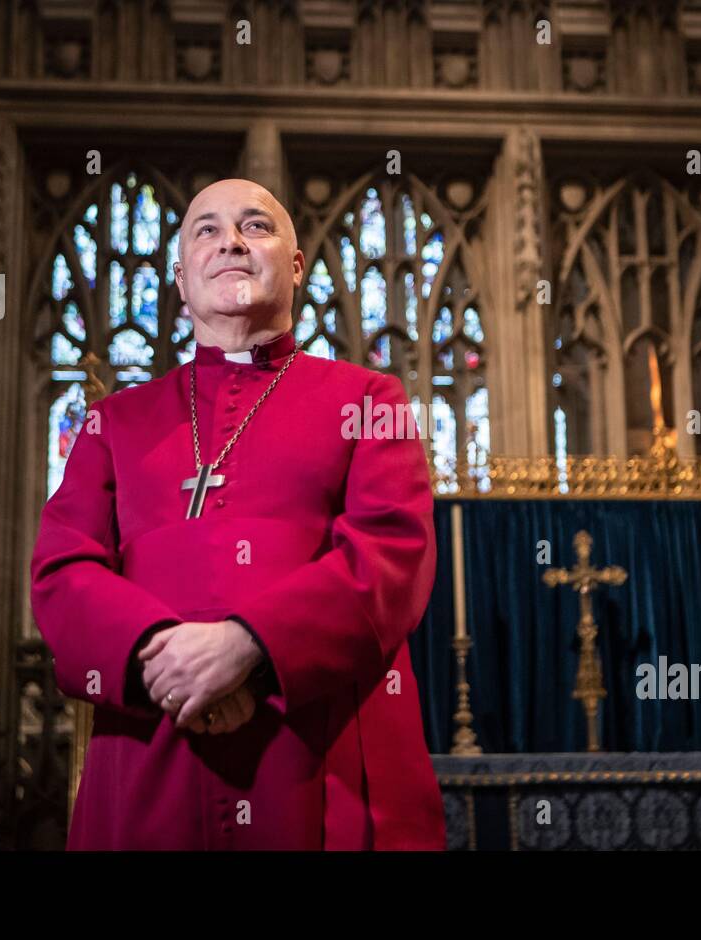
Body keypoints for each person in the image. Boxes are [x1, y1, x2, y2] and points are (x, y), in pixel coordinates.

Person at [30, 177, 445, 850]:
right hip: (150, 752)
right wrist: (161, 656)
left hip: (317, 757)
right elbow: (60, 569)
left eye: (257, 227)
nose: (231, 241)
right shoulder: (114, 422)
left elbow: (393, 553)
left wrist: (248, 646)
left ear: (297, 264)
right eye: (207, 230)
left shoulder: (369, 398)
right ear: (180, 278)